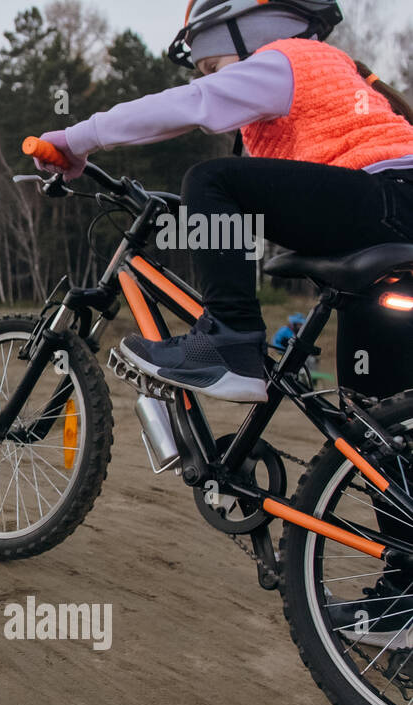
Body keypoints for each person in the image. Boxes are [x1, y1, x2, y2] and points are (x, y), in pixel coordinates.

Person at [34, 0, 413, 404]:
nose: (210, 80)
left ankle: (229, 342)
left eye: (212, 68)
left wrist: (76, 140)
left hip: (384, 199)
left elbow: (189, 104)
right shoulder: (328, 74)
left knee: (209, 179)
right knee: (373, 421)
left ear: (249, 34)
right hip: (385, 223)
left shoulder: (286, 58)